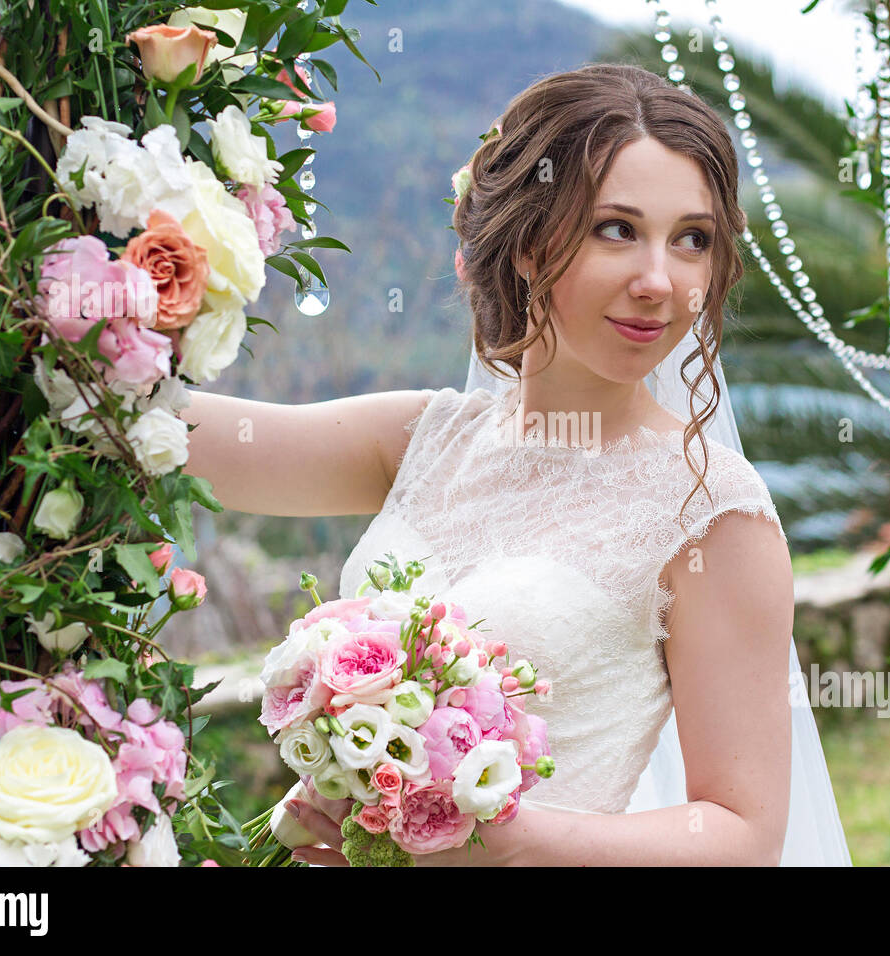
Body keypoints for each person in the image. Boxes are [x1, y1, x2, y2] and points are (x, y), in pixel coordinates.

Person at [182, 63, 850, 866]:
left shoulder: (714, 512)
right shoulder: (421, 438)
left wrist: (513, 842)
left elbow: (741, 835)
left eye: (692, 240)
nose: (658, 281)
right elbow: (169, 437)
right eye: (617, 229)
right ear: (530, 244)